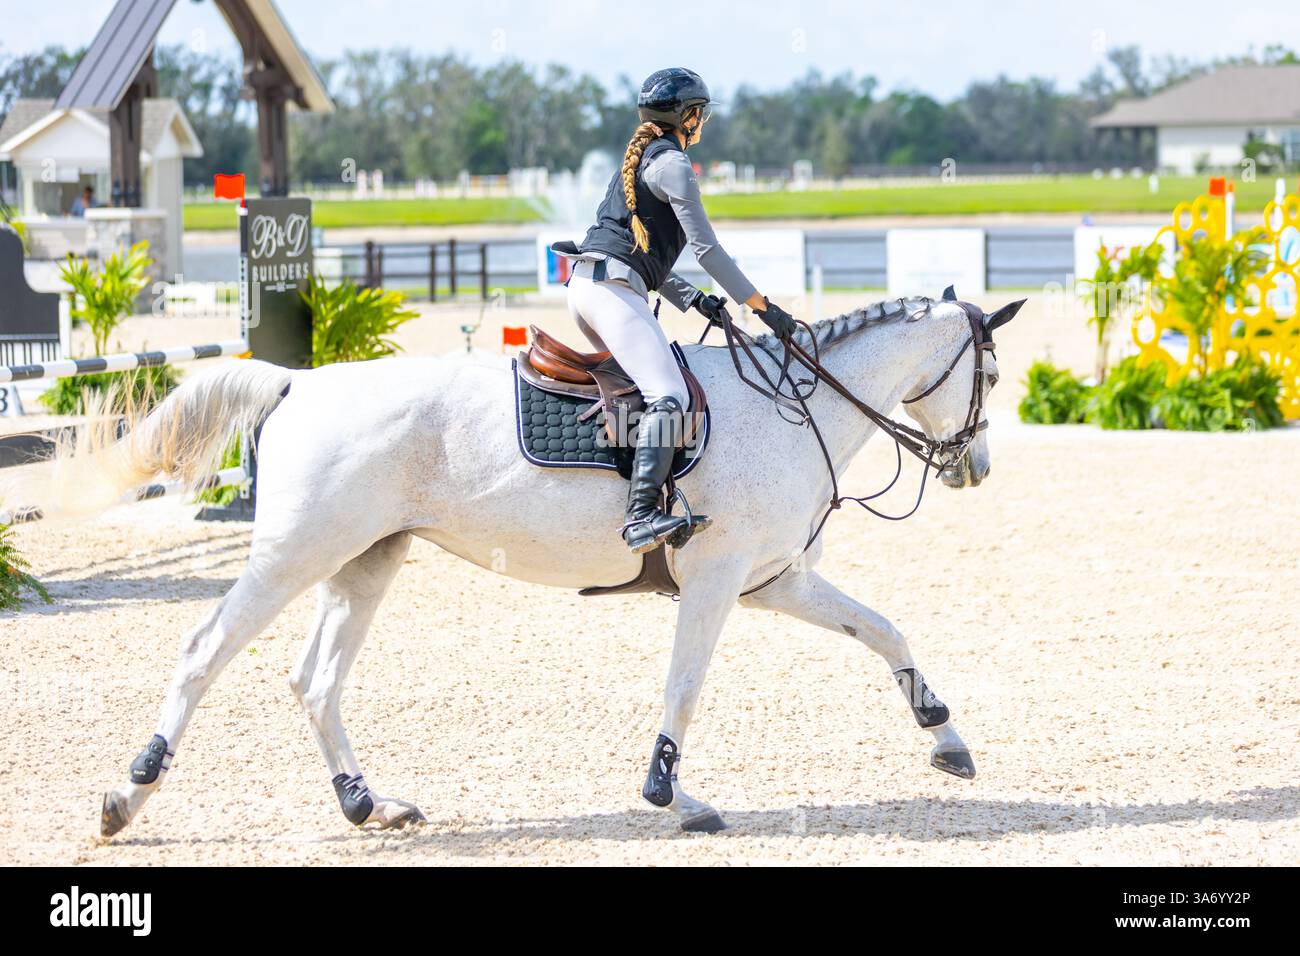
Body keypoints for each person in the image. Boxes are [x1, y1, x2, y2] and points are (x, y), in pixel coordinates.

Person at [554, 67, 797, 555]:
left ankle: (632, 471)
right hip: (611, 293)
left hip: (590, 286)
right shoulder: (676, 166)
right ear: (686, 117)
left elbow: (642, 255)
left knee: (649, 384)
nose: (703, 122)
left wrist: (696, 300)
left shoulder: (641, 157)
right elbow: (708, 251)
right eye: (700, 114)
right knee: (668, 393)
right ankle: (640, 516)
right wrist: (762, 307)